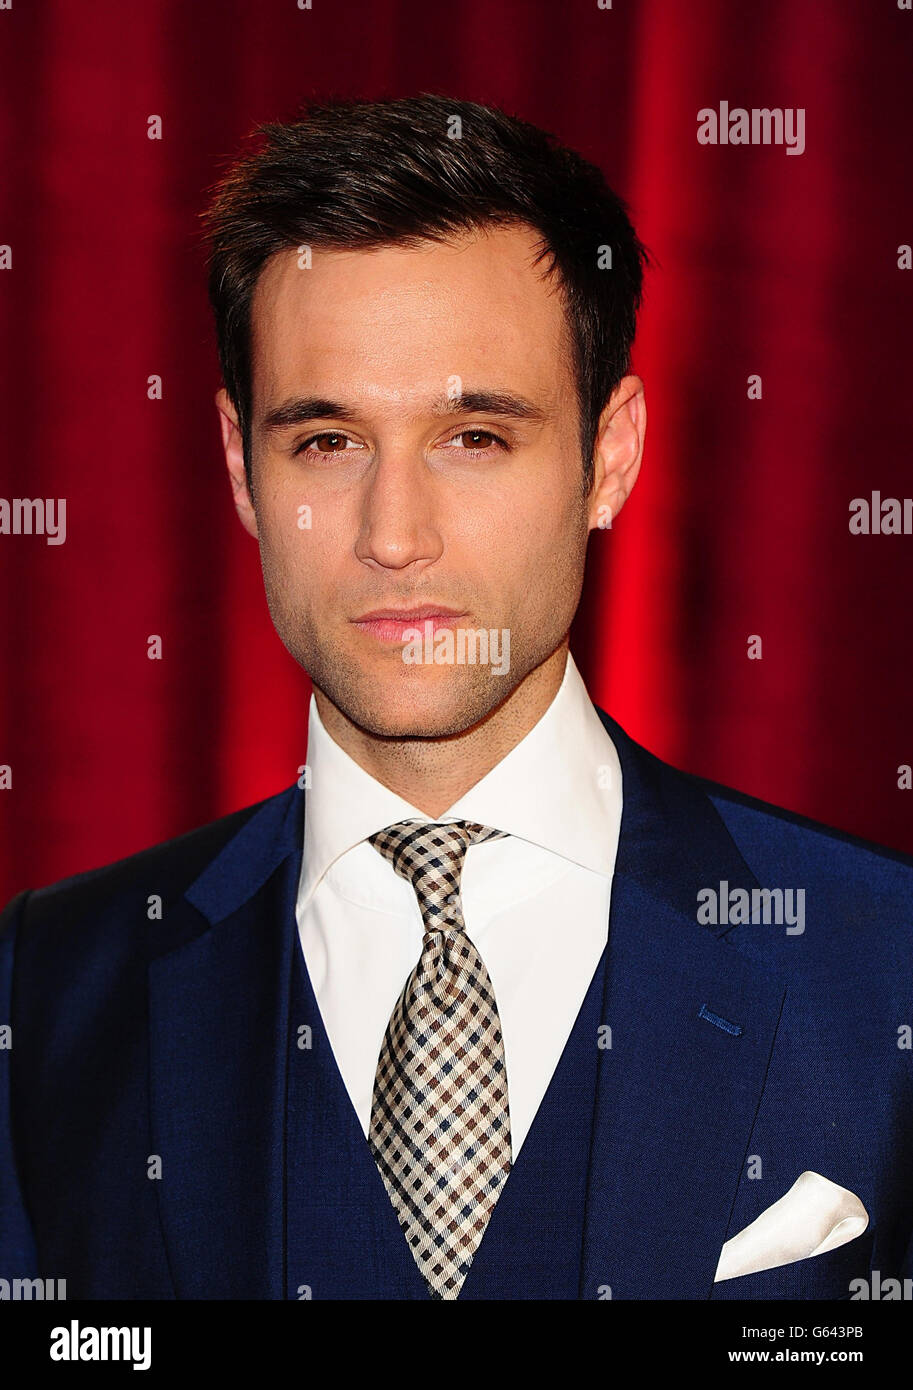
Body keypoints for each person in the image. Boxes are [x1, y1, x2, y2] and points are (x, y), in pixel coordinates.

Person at [1, 94, 910, 1302]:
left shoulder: (884, 961)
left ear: (610, 455)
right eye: (326, 441)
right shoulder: (46, 991)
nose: (394, 535)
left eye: (474, 436)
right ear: (239, 466)